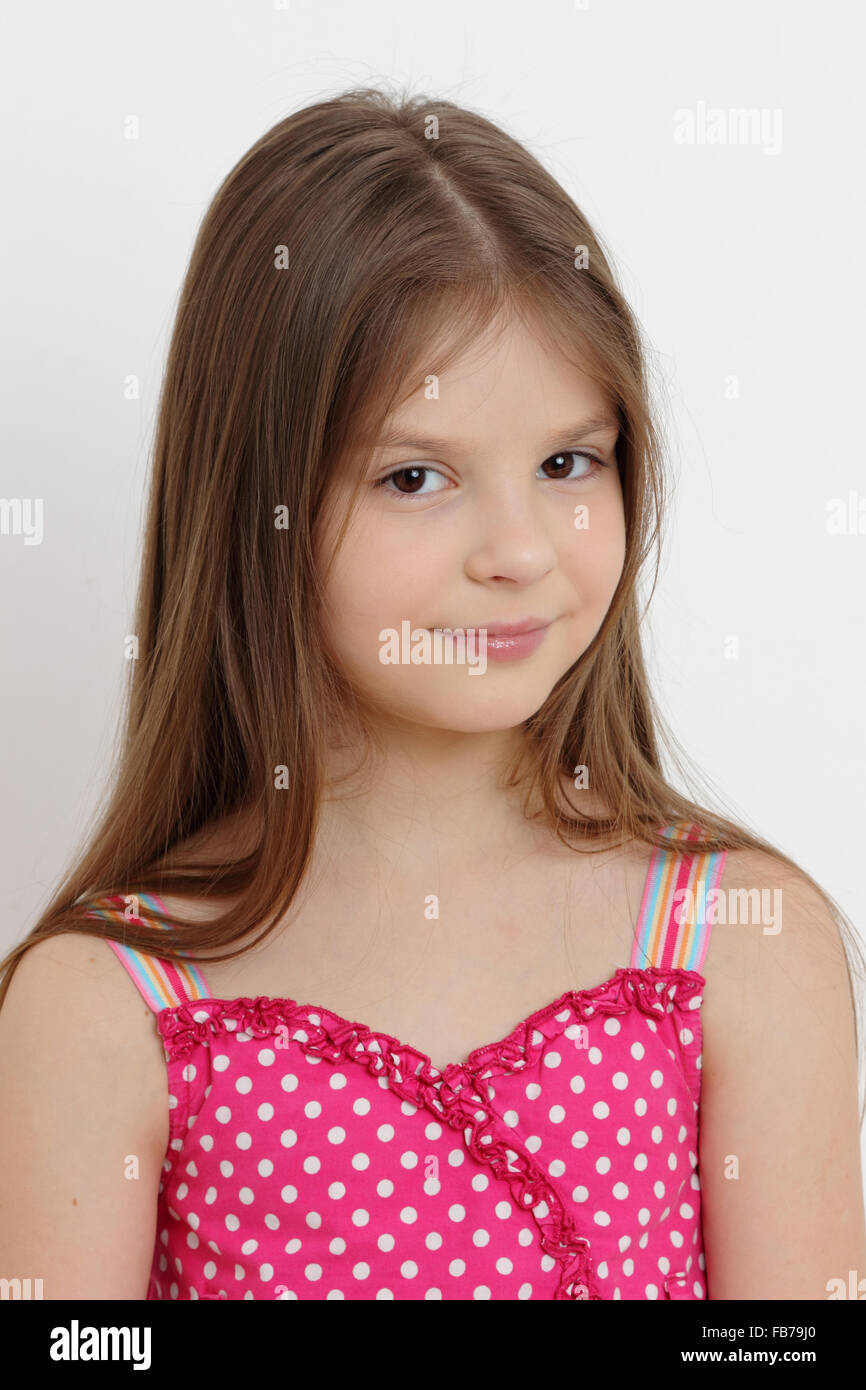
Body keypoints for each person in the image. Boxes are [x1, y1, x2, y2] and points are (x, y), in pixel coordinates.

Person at [1, 85, 864, 1301]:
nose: (517, 549)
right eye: (415, 477)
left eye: (568, 461)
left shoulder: (742, 941)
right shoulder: (98, 1006)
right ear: (260, 505)